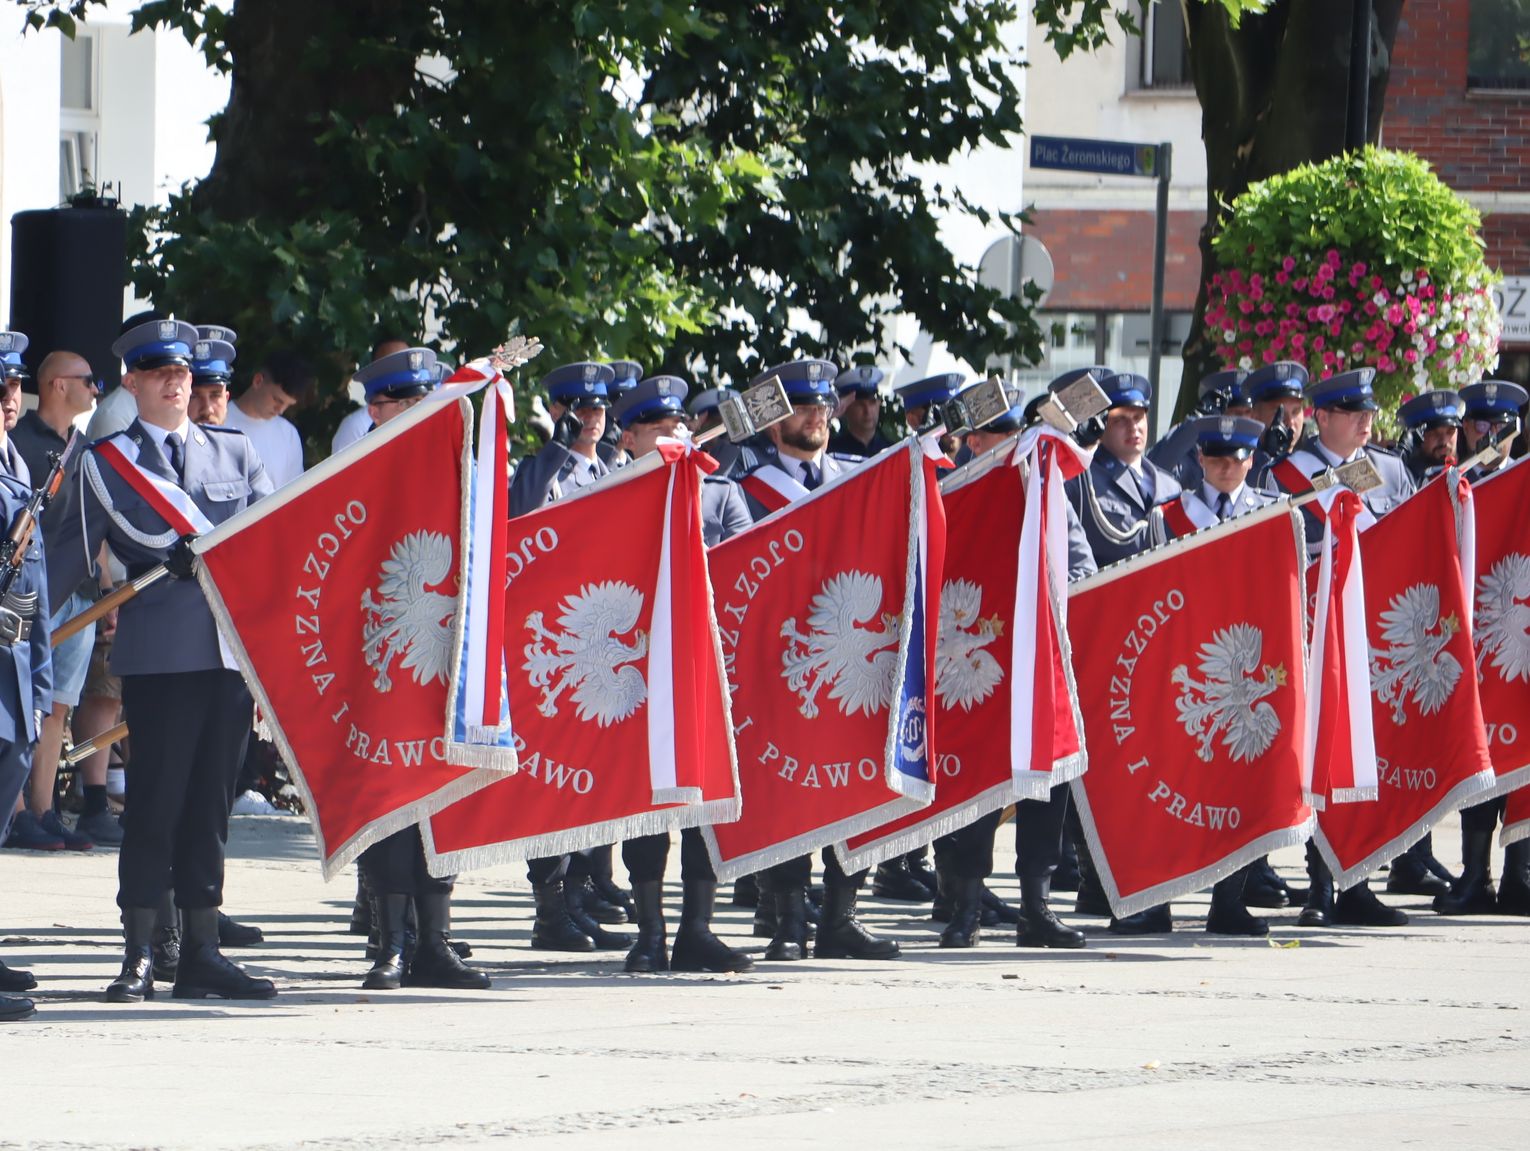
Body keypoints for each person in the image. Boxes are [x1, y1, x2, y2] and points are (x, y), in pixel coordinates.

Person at [47, 318, 277, 1002]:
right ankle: (142, 950)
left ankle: (202, 949)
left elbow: (271, 543)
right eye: (159, 371)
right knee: (153, 803)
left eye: (183, 372)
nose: (176, 381)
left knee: (210, 806)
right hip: (159, 658)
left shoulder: (236, 453)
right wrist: (23, 619)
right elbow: (68, 553)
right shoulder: (106, 458)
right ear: (133, 381)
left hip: (229, 657)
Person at [733, 359, 899, 961]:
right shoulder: (746, 490)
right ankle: (787, 920)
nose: (818, 416)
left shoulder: (860, 477)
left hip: (850, 672)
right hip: (784, 667)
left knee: (848, 786)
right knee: (787, 788)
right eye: (803, 407)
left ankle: (840, 917)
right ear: (775, 421)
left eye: (823, 405)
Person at [346, 346, 491, 991]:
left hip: (450, 659)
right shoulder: (354, 471)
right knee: (389, 802)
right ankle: (391, 943)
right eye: (405, 403)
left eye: (426, 401)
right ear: (375, 409)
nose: (419, 414)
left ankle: (436, 940)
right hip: (382, 666)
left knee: (440, 800)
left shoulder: (465, 467)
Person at [929, 386, 1093, 951]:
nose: (1012, 446)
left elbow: (1078, 564)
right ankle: (965, 904)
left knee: (1045, 784)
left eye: (1017, 435)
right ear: (975, 441)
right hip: (974, 663)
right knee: (975, 780)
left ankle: (1036, 905)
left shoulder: (1045, 490)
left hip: (1035, 657)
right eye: (1000, 437)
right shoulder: (953, 493)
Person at [1255, 368, 1418, 929]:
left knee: (1371, 755)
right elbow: (1280, 552)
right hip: (1317, 635)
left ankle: (1361, 880)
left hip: (1377, 636)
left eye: (1369, 411)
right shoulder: (1287, 476)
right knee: (1324, 755)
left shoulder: (1393, 470)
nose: (1365, 420)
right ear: (1321, 418)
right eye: (1352, 412)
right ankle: (1321, 884)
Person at [606, 375, 753, 974]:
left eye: (679, 425)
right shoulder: (611, 494)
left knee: (704, 802)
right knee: (646, 803)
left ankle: (698, 929)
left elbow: (743, 570)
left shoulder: (719, 495)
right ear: (631, 437)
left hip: (704, 668)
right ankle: (650, 933)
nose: (675, 433)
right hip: (640, 668)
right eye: (659, 427)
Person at [8, 350, 112, 851]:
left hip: (80, 596)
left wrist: (108, 592)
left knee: (57, 710)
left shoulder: (85, 449)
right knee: (20, 703)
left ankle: (45, 810)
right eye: (88, 380)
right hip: (29, 595)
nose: (96, 390)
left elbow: (100, 529)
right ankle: (16, 810)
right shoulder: (18, 444)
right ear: (56, 386)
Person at [1434, 379, 1530, 918]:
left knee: (1525, 757)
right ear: (1466, 429)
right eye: (1479, 425)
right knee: (1476, 754)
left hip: (1517, 649)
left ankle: (1520, 875)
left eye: (1502, 427)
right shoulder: (1448, 487)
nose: (1490, 436)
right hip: (1466, 644)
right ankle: (1475, 877)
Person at [0, 348, 54, 1017]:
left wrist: (36, 688)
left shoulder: (18, 471)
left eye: (14, 384)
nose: (10, 396)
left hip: (9, 679)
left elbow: (27, 600)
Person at [1064, 371, 1182, 570]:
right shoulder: (1082, 479)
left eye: (1138, 417)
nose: (1133, 427)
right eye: (1120, 420)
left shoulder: (1169, 485)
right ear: (1101, 425)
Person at [222, 350, 313, 490]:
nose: (280, 410)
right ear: (258, 381)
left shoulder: (288, 434)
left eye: (288, 405)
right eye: (277, 400)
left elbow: (293, 494)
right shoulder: (218, 422)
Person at [332, 338, 409, 456]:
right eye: (390, 366)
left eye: (404, 363)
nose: (398, 372)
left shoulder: (424, 412)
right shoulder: (356, 426)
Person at [1397, 389, 1464, 487]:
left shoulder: (1471, 472)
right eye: (1434, 433)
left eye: (1450, 431)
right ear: (1418, 437)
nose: (1444, 441)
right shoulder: (1406, 484)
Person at [828, 366, 893, 458]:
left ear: (879, 404)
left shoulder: (892, 450)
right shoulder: (830, 451)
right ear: (845, 408)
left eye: (872, 403)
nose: (867, 410)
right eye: (860, 404)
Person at [187, 337, 235, 427]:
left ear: (226, 399)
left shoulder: (240, 441)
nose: (207, 410)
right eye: (194, 396)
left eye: (215, 395)